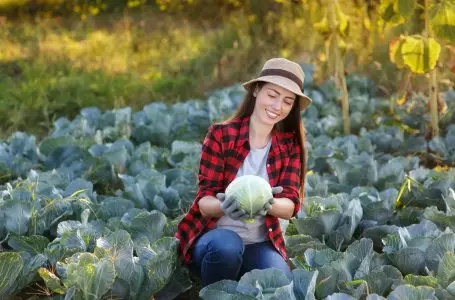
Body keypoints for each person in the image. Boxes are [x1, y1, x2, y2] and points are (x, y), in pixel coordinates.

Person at [175, 57, 312, 288]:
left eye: (288, 101)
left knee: (279, 282)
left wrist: (268, 203)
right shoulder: (221, 135)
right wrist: (223, 207)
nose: (277, 106)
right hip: (215, 238)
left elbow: (289, 206)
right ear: (257, 90)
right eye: (272, 95)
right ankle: (216, 289)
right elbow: (204, 201)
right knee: (227, 247)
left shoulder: (289, 146)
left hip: (259, 243)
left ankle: (238, 275)